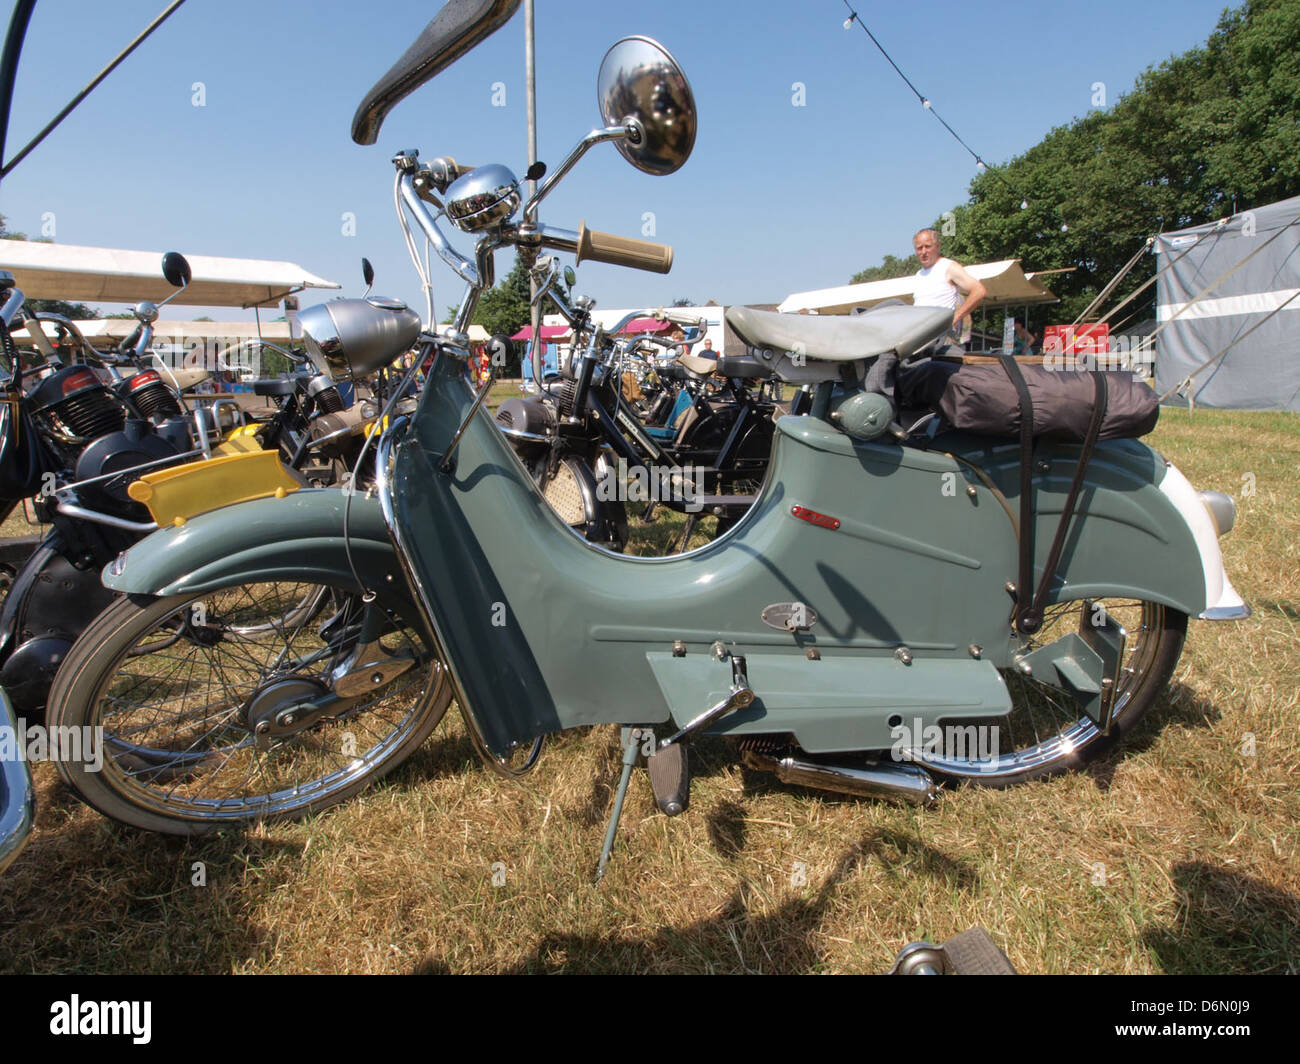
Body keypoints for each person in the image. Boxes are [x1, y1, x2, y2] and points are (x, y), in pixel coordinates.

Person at [912, 228, 987, 350]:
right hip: (922, 338)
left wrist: (956, 316)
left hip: (942, 340)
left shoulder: (948, 267)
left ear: (938, 246)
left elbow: (979, 291)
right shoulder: (919, 274)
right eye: (919, 248)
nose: (923, 252)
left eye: (928, 246)